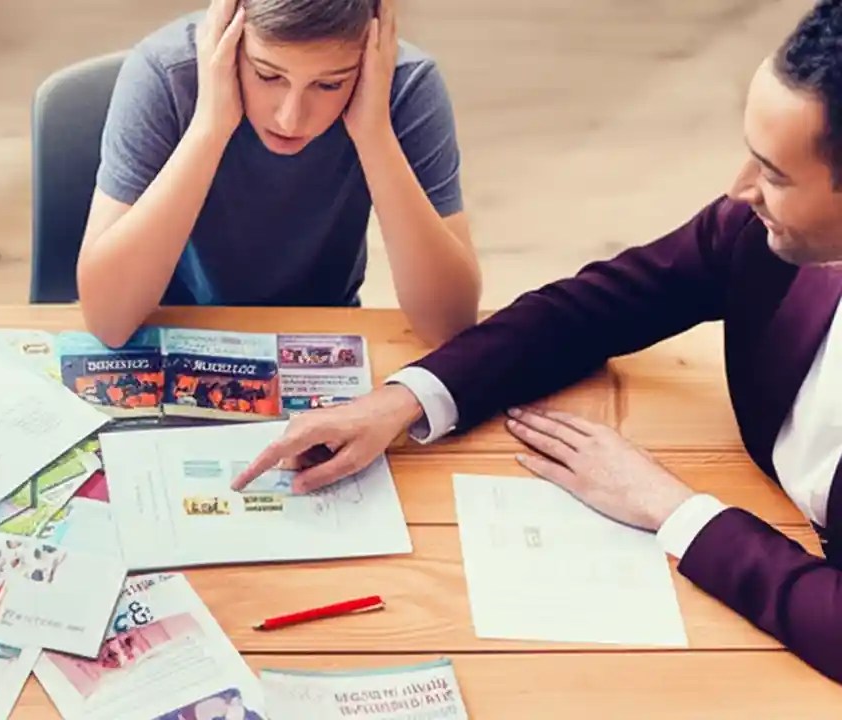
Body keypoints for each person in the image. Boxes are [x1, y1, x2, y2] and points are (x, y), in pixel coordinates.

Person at [234, 0, 842, 682]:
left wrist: (674, 509)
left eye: (776, 175)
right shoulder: (760, 232)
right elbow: (596, 307)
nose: (739, 191)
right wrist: (400, 402)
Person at [77, 0, 480, 348]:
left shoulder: (404, 86)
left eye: (329, 84)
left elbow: (448, 326)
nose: (291, 117)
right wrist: (209, 126)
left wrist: (374, 133)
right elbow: (109, 322)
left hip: (321, 332)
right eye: (268, 75)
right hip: (170, 324)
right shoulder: (165, 74)